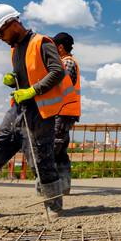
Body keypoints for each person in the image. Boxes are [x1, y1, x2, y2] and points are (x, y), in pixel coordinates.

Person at [0, 4, 69, 216]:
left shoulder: (41, 42)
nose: (0, 38)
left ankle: (54, 208)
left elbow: (57, 71)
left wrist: (33, 90)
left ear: (11, 24)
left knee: (42, 161)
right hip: (17, 110)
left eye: (0, 33)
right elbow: (26, 77)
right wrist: (14, 80)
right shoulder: (14, 49)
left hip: (40, 112)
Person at [50, 32, 81, 196]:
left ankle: (52, 189)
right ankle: (63, 187)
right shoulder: (66, 62)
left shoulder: (66, 63)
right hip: (64, 113)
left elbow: (59, 87)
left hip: (62, 113)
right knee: (60, 152)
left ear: (60, 47)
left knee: (53, 150)